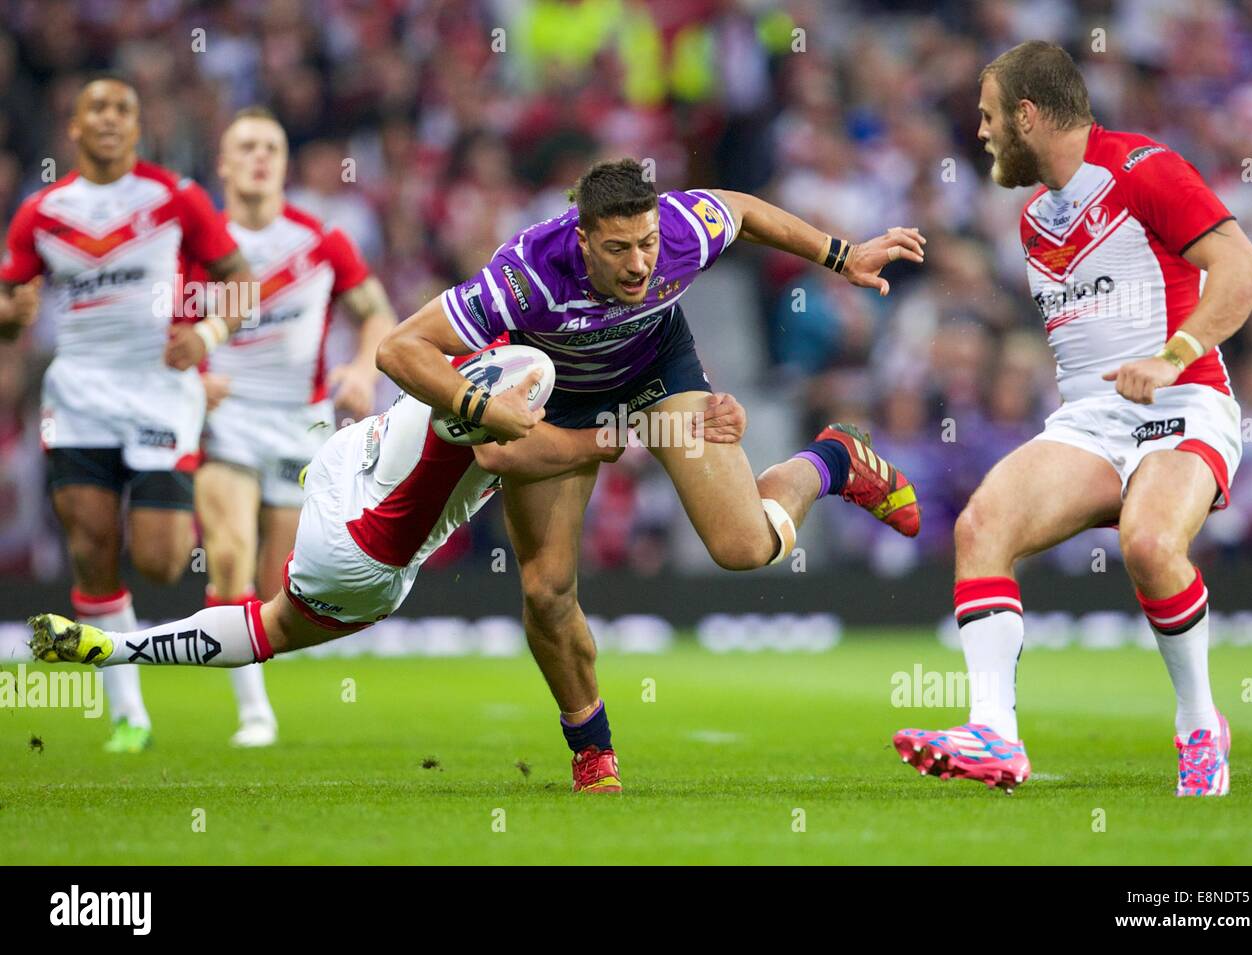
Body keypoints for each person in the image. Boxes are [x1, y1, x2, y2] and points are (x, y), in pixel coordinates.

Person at [376, 159, 926, 792]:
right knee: (547, 591)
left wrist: (842, 255)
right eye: (617, 249)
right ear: (582, 241)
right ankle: (592, 750)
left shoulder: (682, 227)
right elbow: (398, 349)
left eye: (646, 244)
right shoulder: (525, 277)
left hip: (657, 371)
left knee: (744, 547)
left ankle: (835, 459)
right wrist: (484, 409)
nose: (639, 264)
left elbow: (742, 209)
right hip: (558, 400)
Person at [894, 42, 1252, 796]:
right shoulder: (1033, 220)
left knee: (1152, 543)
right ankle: (994, 735)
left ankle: (1200, 724)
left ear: (1028, 115)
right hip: (1091, 421)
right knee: (981, 526)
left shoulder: (1144, 168)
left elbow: (1245, 270)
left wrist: (1173, 354)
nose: (982, 132)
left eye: (991, 115)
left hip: (1183, 400)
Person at [28, 356, 748, 703]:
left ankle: (122, 641)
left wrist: (650, 428)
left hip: (357, 539)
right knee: (267, 628)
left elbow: (499, 440)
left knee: (325, 462)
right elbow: (518, 442)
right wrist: (661, 426)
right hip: (377, 579)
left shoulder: (524, 365)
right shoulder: (534, 369)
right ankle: (113, 648)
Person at [0, 76, 255, 753]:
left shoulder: (175, 198)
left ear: (137, 127)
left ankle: (143, 665)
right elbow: (9, 306)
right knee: (91, 547)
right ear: (75, 128)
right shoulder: (41, 211)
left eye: (123, 109)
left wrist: (206, 338)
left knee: (164, 560)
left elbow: (243, 283)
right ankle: (129, 714)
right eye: (97, 109)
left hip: (159, 390)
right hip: (78, 394)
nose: (110, 119)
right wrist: (10, 316)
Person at [189, 106, 397, 747]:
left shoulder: (321, 239)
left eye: (271, 148)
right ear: (223, 164)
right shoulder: (194, 246)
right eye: (245, 147)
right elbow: (157, 335)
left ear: (283, 164)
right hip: (224, 420)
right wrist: (192, 381)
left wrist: (364, 367)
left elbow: (377, 311)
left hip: (298, 426)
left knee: (281, 584)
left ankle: (231, 631)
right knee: (228, 554)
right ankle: (255, 713)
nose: (259, 158)